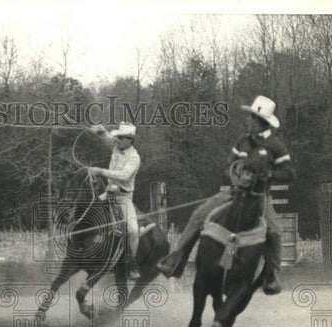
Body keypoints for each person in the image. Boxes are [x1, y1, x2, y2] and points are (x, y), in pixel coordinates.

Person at [156, 95, 296, 295]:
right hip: (234, 193)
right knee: (199, 215)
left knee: (274, 231)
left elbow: (290, 173)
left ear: (261, 121)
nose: (248, 120)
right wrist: (235, 173)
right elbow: (227, 165)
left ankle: (272, 275)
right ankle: (177, 260)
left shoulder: (275, 145)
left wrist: (270, 174)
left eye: (251, 118)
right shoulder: (242, 141)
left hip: (260, 198)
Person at [87, 121, 142, 280]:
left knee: (131, 230)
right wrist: (101, 131)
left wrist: (100, 171)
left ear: (129, 140)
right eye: (116, 137)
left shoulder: (134, 157)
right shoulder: (118, 146)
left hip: (124, 198)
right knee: (84, 216)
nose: (116, 140)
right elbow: (106, 138)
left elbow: (124, 175)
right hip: (108, 194)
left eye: (120, 137)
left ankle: (131, 264)